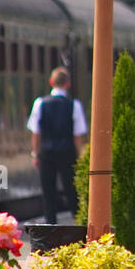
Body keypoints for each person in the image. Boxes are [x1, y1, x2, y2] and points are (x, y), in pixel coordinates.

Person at [27, 67, 88, 224]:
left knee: (48, 192)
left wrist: (35, 153)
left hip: (46, 153)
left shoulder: (40, 103)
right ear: (68, 84)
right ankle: (78, 224)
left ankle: (50, 226)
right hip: (67, 153)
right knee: (71, 191)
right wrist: (79, 155)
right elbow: (77, 135)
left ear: (51, 82)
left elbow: (36, 132)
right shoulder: (74, 105)